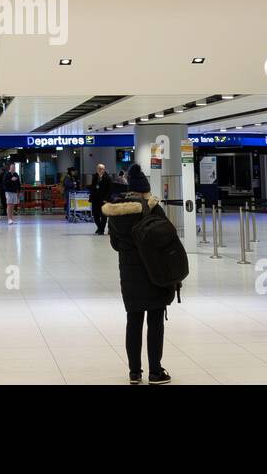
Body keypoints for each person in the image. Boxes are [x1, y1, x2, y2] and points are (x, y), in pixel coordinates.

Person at [104, 164, 171, 385]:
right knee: (155, 322)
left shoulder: (115, 212)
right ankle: (155, 372)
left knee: (133, 321)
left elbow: (115, 244)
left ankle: (134, 372)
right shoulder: (152, 208)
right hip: (154, 273)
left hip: (129, 274)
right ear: (145, 190)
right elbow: (166, 239)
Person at [88, 164, 112, 235]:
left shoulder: (108, 178)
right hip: (95, 199)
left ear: (104, 170)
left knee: (103, 216)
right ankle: (100, 228)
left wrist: (106, 199)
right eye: (98, 168)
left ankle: (101, 230)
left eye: (101, 169)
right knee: (95, 215)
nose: (100, 170)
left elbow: (110, 190)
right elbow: (92, 187)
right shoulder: (95, 177)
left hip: (103, 200)